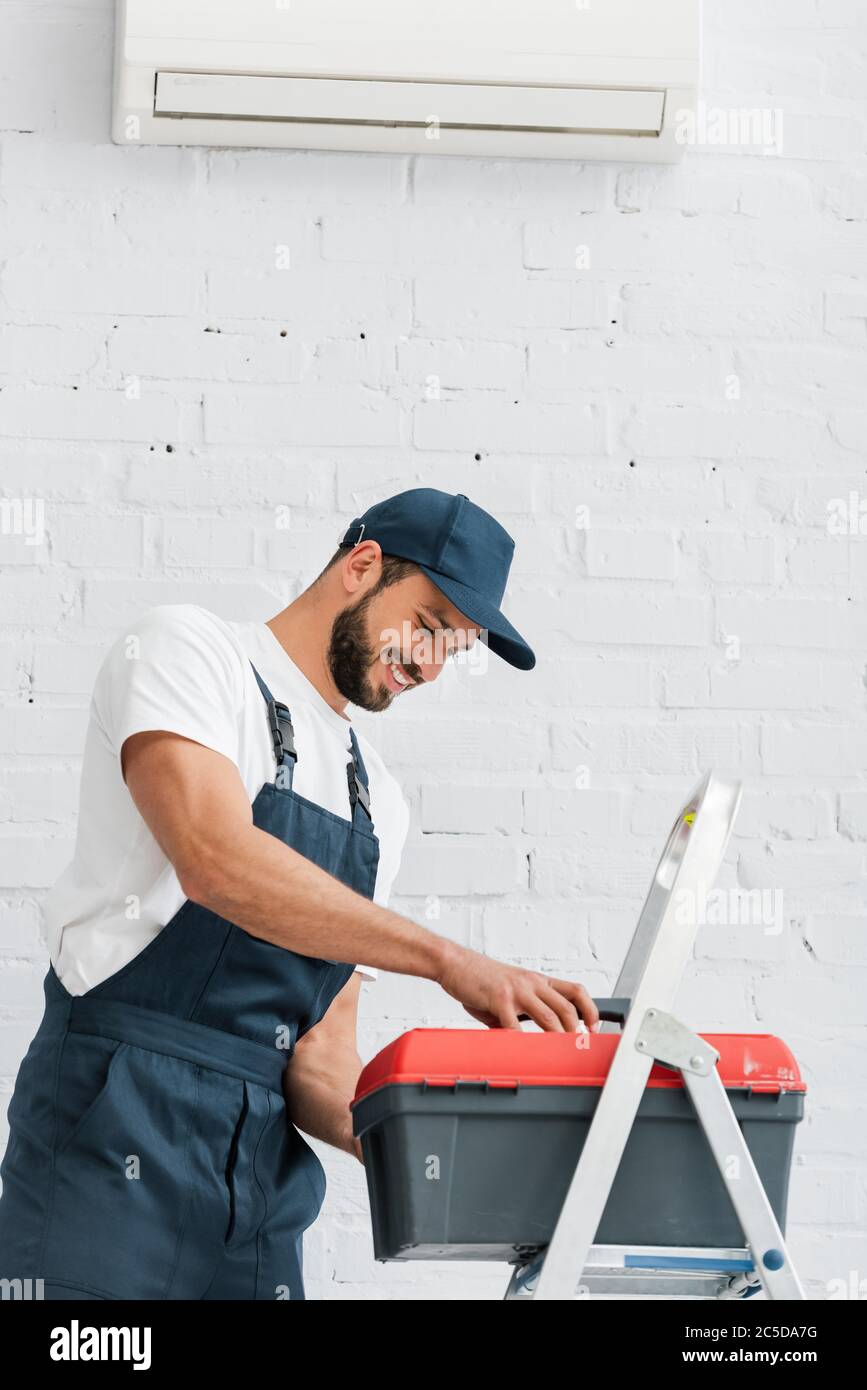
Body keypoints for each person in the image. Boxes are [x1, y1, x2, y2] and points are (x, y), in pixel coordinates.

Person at [0, 486, 599, 1301]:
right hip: (109, 1137)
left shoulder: (376, 801)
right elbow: (213, 860)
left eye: (449, 651)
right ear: (361, 565)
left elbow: (317, 1057)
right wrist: (446, 960)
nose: (427, 666)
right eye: (425, 627)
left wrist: (430, 1144)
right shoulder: (189, 654)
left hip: (256, 1184)